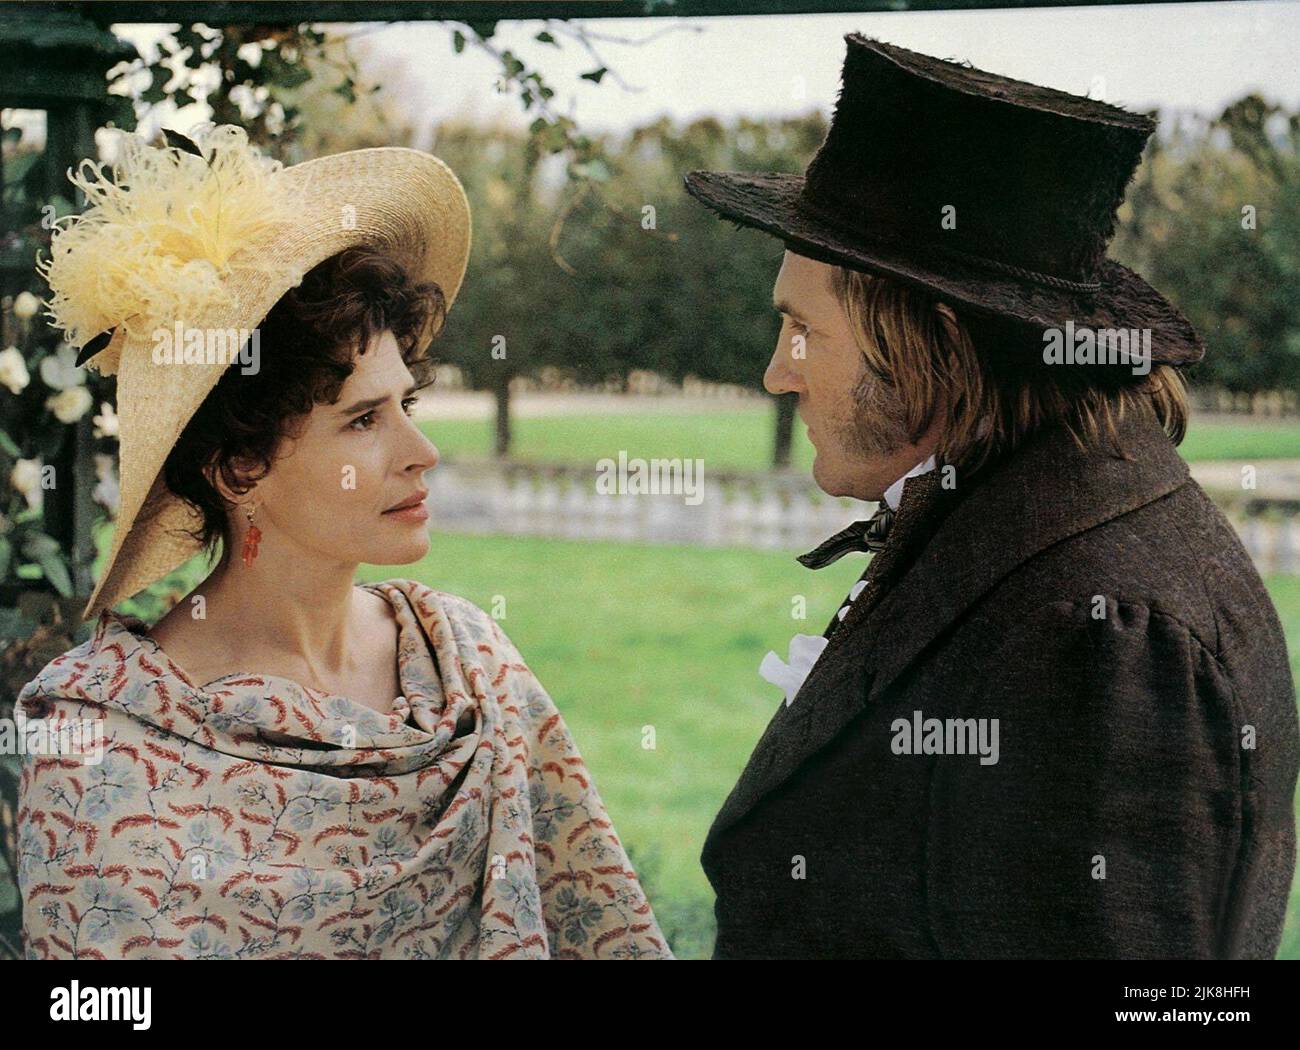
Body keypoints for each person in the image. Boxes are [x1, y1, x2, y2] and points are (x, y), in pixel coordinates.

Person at [683, 35, 1298, 959]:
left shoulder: (1100, 632)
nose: (778, 373)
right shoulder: (1020, 519)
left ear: (932, 345)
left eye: (804, 331)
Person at [14, 123, 670, 960]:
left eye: (408, 406)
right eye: (363, 420)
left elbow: (604, 933)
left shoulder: (467, 662)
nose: (420, 453)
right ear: (240, 467)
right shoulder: (101, 740)